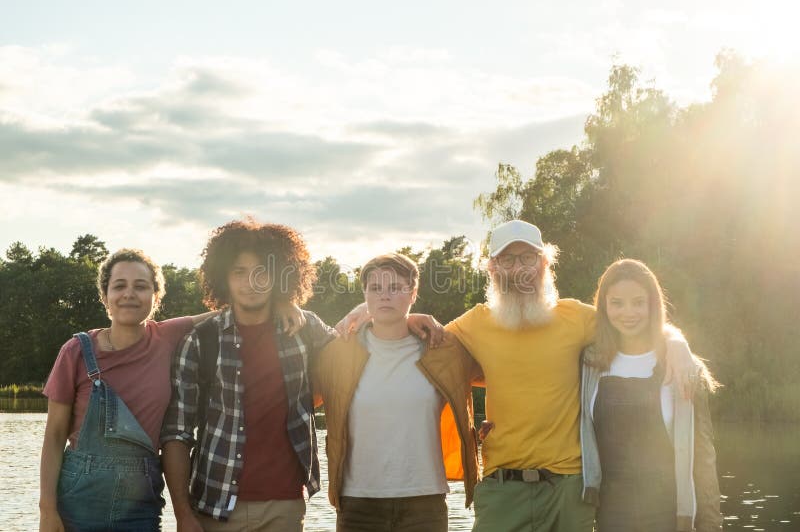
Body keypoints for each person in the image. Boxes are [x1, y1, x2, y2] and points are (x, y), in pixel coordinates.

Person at [161, 220, 446, 531]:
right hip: (214, 506)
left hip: (286, 505)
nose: (250, 283)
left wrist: (409, 318)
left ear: (280, 277)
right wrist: (183, 514)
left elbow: (355, 339)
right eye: (239, 272)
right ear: (223, 278)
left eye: (262, 272)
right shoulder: (201, 341)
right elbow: (177, 434)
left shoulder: (305, 329)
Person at [441, 220, 697, 532]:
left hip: (568, 488)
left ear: (545, 263)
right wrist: (368, 317)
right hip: (501, 489)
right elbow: (424, 346)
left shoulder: (575, 317)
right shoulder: (474, 323)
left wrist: (677, 343)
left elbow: (629, 322)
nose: (518, 269)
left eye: (527, 258)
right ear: (493, 268)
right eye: (507, 260)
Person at [39, 248, 219, 532]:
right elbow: (53, 437)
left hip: (140, 506)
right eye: (119, 286)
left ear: (156, 297)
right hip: (77, 503)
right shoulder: (75, 351)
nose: (129, 294)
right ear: (105, 297)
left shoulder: (168, 336)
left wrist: (288, 306)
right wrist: (47, 511)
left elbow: (226, 313)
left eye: (141, 286)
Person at [312, 253, 479, 532]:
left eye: (396, 288)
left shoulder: (443, 350)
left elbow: (501, 374)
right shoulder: (337, 354)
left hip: (424, 503)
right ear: (364, 295)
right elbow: (300, 402)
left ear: (413, 293)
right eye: (375, 289)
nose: (384, 296)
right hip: (357, 504)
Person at [580, 258, 722, 531]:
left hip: (670, 516)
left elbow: (703, 461)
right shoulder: (589, 365)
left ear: (652, 305)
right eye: (617, 303)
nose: (628, 312)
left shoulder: (683, 367)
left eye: (638, 302)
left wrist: (711, 525)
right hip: (609, 517)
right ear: (604, 305)